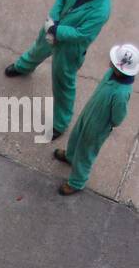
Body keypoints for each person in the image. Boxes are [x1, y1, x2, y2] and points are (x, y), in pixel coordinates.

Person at [5, 0, 112, 138]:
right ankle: (23, 66)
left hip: (69, 49)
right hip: (51, 30)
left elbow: (82, 34)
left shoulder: (102, 10)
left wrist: (56, 30)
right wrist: (52, 22)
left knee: (63, 83)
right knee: (37, 50)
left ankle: (60, 123)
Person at [55, 42, 138, 193]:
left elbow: (118, 117)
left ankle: (77, 182)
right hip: (89, 112)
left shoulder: (121, 93)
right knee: (76, 134)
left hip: (99, 126)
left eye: (114, 62)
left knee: (86, 151)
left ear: (121, 70)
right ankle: (70, 155)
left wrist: (109, 124)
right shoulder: (110, 74)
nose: (110, 62)